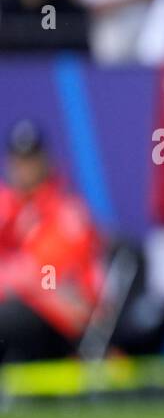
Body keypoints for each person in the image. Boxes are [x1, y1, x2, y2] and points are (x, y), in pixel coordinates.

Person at [0, 120, 104, 363]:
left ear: (45, 161)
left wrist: (12, 277)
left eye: (31, 159)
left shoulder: (67, 212)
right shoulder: (8, 208)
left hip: (64, 322)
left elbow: (41, 276)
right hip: (21, 310)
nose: (24, 168)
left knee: (9, 315)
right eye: (18, 160)